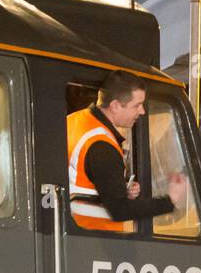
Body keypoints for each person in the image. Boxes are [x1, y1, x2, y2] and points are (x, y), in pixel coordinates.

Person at [66, 70, 187, 232]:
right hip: (94, 236)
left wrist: (118, 188)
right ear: (115, 106)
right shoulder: (102, 146)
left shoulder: (74, 122)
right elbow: (120, 210)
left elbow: (81, 177)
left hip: (72, 230)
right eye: (136, 105)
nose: (142, 111)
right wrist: (169, 200)